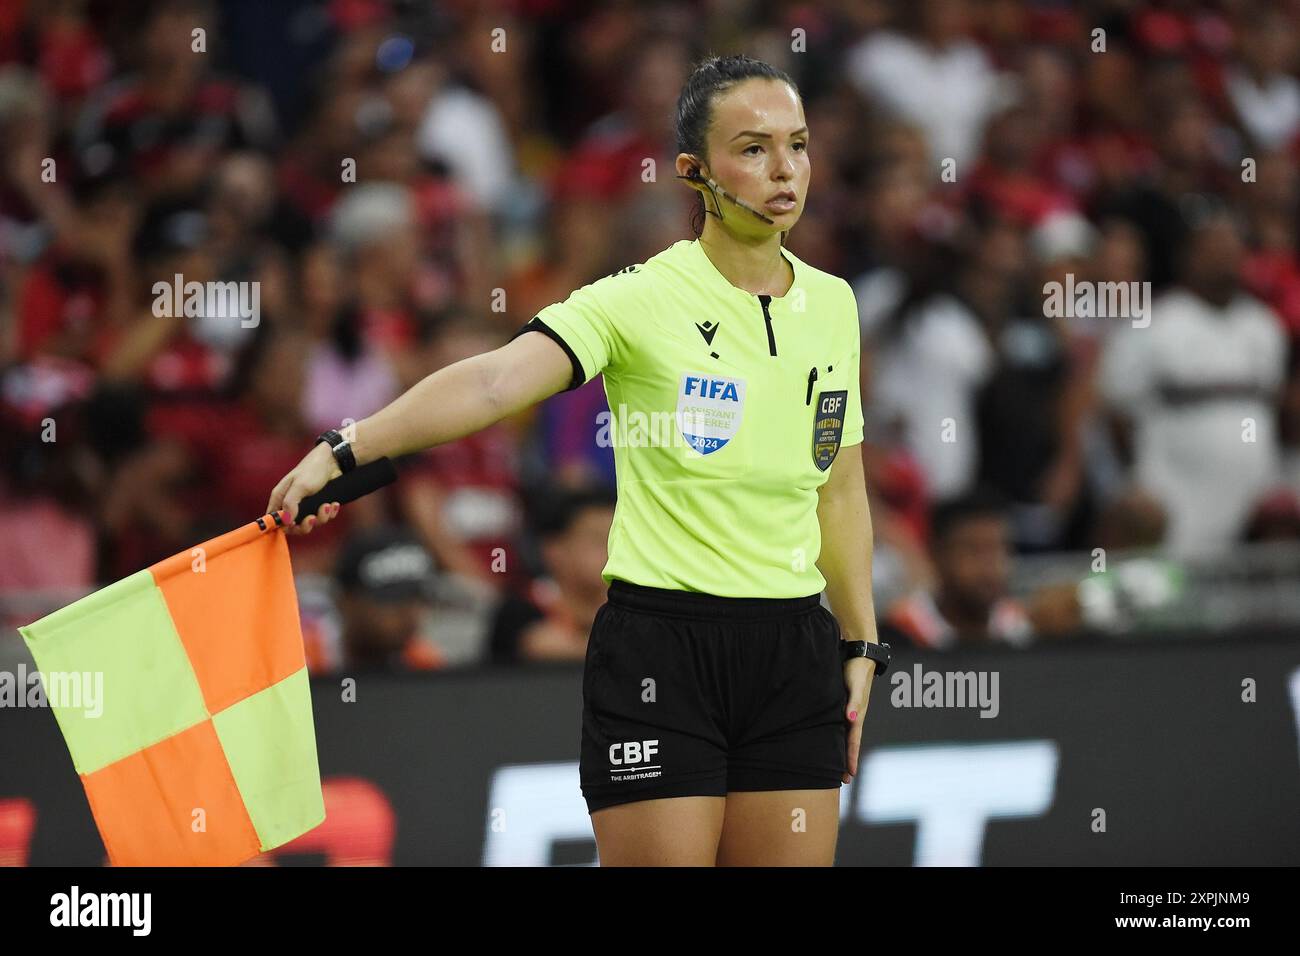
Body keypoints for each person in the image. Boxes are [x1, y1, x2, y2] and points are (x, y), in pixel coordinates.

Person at [267, 55, 886, 866]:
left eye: (797, 145)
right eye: (755, 147)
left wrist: (861, 643)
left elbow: (837, 492)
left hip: (792, 651)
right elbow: (494, 382)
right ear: (695, 173)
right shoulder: (637, 298)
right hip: (664, 651)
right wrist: (343, 449)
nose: (785, 170)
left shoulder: (833, 305)